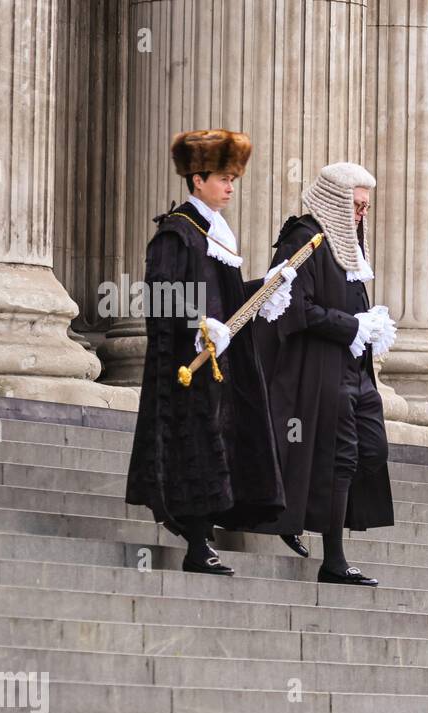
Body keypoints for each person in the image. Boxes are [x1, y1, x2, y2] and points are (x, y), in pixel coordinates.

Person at [125, 128, 283, 575]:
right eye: (223, 177)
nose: (231, 186)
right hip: (188, 366)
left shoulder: (216, 233)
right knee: (194, 447)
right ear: (197, 179)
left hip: (220, 363)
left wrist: (265, 290)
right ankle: (198, 545)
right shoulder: (177, 233)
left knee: (220, 444)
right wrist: (198, 324)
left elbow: (227, 297)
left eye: (234, 178)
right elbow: (159, 295)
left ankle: (205, 537)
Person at [252, 162, 395, 586]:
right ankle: (333, 558)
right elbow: (295, 309)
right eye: (356, 206)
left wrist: (371, 323)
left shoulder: (352, 244)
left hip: (356, 370)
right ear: (334, 200)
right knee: (342, 457)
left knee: (373, 449)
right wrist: (351, 326)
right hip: (320, 368)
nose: (361, 215)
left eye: (366, 207)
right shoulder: (304, 238)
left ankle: (298, 513)